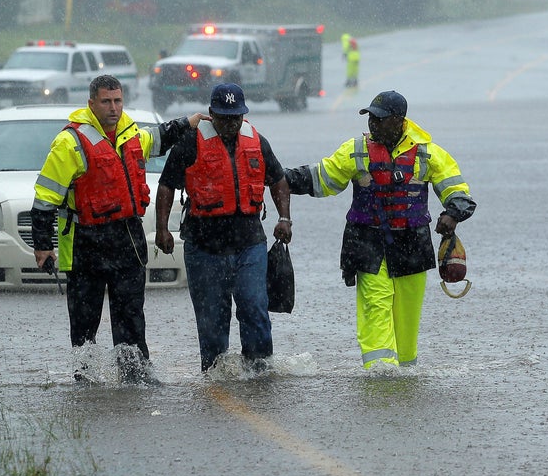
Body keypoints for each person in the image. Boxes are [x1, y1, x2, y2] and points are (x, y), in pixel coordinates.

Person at [30, 74, 205, 383]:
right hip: (86, 241)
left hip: (126, 237)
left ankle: (135, 376)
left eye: (118, 101)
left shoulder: (130, 133)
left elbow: (159, 138)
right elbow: (45, 198)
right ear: (91, 103)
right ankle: (86, 379)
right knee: (85, 320)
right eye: (106, 102)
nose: (113, 108)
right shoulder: (69, 142)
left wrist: (187, 123)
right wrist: (43, 246)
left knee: (131, 315)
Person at [286, 90, 475, 369]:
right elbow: (324, 178)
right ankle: (381, 372)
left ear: (399, 121)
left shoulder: (427, 153)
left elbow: (457, 189)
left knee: (406, 319)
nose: (372, 124)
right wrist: (279, 177)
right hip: (368, 244)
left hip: (412, 244)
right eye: (370, 118)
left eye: (379, 119)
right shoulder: (356, 150)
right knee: (376, 305)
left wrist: (452, 214)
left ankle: (405, 376)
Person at [154, 83, 292, 373]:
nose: (231, 123)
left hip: (249, 242)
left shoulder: (257, 141)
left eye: (236, 117)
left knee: (254, 307)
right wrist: (162, 229)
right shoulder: (190, 143)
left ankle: (259, 369)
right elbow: (166, 185)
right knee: (212, 318)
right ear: (211, 114)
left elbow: (278, 179)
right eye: (224, 117)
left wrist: (284, 218)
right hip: (204, 245)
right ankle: (217, 375)